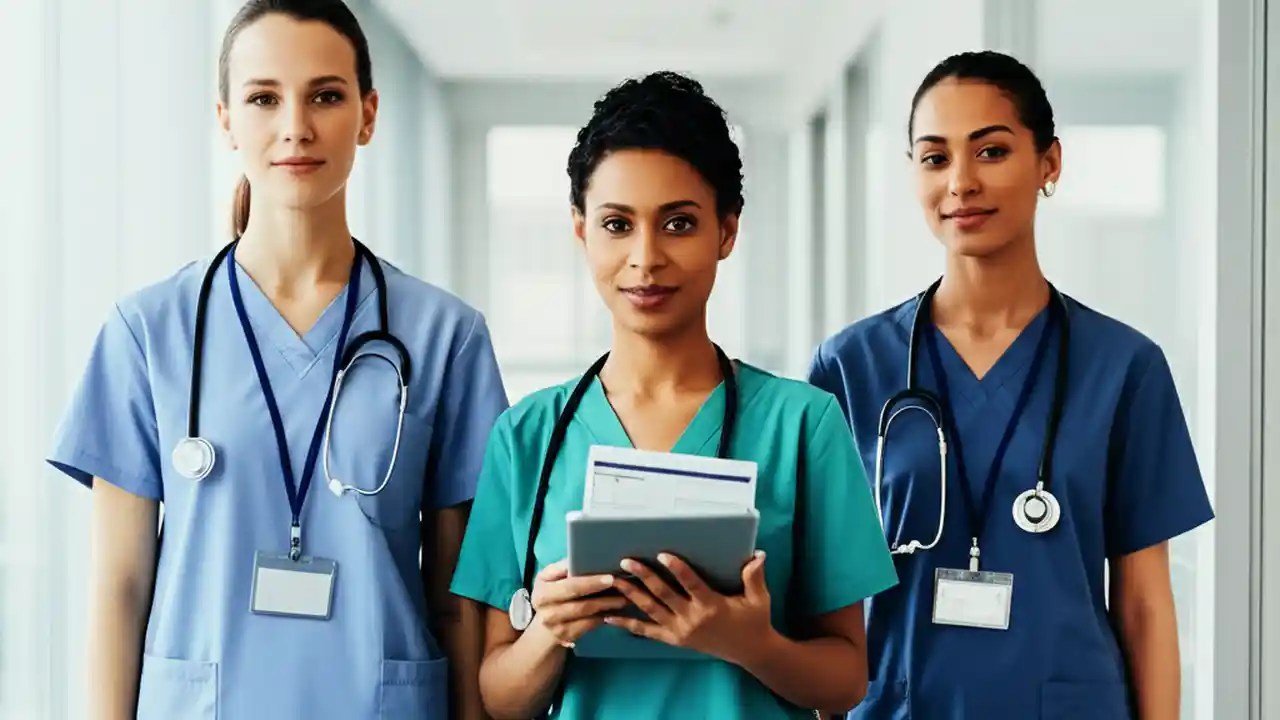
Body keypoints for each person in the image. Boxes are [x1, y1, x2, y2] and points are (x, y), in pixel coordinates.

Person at [46, 1, 505, 717]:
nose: (296, 125)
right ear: (226, 119)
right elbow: (119, 588)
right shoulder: (148, 330)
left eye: (326, 95)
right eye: (264, 98)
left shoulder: (446, 337)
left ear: (369, 114)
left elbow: (457, 599)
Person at [448, 71, 897, 720]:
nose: (645, 258)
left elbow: (847, 680)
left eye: (679, 224)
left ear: (727, 231)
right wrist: (549, 631)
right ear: (581, 232)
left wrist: (751, 643)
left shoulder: (804, 425)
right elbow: (498, 696)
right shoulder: (527, 436)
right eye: (617, 224)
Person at [808, 50, 1215, 719]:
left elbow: (1143, 603)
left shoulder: (1123, 367)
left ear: (1049, 163)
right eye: (935, 158)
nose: (961, 182)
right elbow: (827, 597)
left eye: (991, 151)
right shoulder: (851, 366)